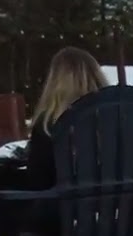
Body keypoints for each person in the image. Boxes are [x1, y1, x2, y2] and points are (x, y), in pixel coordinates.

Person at [25, 47, 108, 190]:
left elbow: (38, 181)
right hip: (122, 208)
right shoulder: (118, 119)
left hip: (64, 208)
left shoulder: (48, 125)